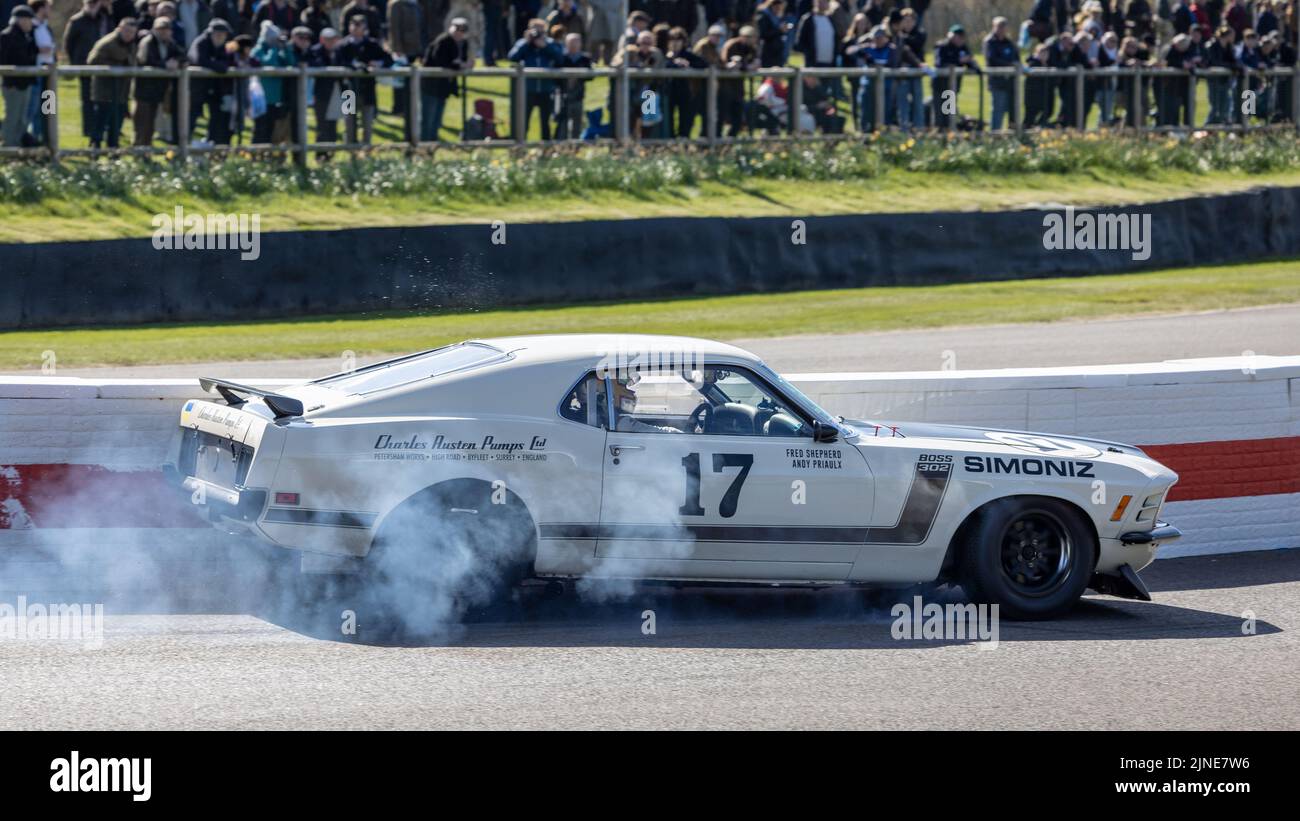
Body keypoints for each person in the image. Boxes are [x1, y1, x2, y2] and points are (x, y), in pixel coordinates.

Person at [336, 13, 392, 144]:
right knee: (349, 122)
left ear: (364, 27)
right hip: (348, 90)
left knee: (367, 121)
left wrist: (378, 63)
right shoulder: (343, 45)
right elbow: (337, 61)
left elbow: (388, 59)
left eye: (359, 25)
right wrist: (353, 66)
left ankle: (366, 150)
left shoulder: (372, 44)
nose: (356, 28)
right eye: (353, 25)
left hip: (367, 89)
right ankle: (350, 149)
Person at [86, 15, 138, 148]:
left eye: (132, 32)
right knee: (100, 122)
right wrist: (115, 66)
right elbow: (92, 61)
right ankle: (94, 149)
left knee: (116, 124)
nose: (129, 35)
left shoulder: (131, 45)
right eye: (126, 31)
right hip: (104, 91)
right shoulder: (107, 43)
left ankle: (113, 150)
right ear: (120, 29)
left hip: (121, 92)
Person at [64, 0, 114, 139]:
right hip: (84, 66)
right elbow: (69, 44)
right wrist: (75, 63)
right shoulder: (77, 21)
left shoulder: (104, 19)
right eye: (90, 3)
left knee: (103, 100)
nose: (93, 6)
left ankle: (102, 128)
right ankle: (89, 129)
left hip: (104, 66)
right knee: (87, 100)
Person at [507, 17, 562, 140]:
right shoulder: (523, 43)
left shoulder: (550, 43)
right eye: (535, 31)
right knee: (523, 121)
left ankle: (546, 151)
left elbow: (560, 59)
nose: (537, 34)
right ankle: (519, 147)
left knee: (545, 123)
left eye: (541, 32)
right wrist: (527, 42)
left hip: (546, 89)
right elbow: (512, 57)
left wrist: (545, 46)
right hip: (527, 89)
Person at [133, 15, 183, 145]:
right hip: (144, 90)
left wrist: (177, 61)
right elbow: (145, 60)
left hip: (158, 91)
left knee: (150, 125)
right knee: (142, 124)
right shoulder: (147, 42)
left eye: (166, 29)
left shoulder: (171, 43)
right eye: (160, 29)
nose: (164, 31)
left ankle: (145, 152)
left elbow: (184, 56)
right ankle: (139, 151)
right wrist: (165, 65)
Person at [419, 15, 467, 141]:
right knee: (428, 120)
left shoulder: (461, 43)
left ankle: (432, 145)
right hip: (431, 86)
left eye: (462, 30)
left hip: (443, 88)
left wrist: (459, 64)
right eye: (457, 29)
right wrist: (458, 65)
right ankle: (423, 146)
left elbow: (462, 61)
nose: (459, 33)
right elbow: (440, 61)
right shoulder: (443, 40)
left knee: (436, 120)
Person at [187, 17, 233, 143]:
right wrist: (218, 66)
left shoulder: (224, 46)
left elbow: (227, 62)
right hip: (197, 87)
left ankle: (212, 146)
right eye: (217, 33)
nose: (220, 36)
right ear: (210, 32)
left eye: (223, 34)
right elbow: (200, 60)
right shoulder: (201, 42)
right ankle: (182, 149)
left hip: (215, 88)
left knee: (217, 119)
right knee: (191, 117)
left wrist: (216, 65)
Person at [0, 4, 36, 147]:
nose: (31, 23)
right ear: (20, 20)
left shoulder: (26, 36)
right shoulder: (7, 36)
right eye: (28, 19)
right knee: (12, 117)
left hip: (24, 83)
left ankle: (17, 145)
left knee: (21, 118)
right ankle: (9, 147)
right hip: (13, 84)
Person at [306, 26, 340, 153]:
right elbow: (316, 65)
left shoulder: (339, 50)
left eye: (333, 39)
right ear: (322, 39)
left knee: (334, 123)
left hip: (341, 93)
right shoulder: (315, 51)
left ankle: (333, 152)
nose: (331, 42)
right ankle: (321, 154)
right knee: (322, 124)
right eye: (328, 39)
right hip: (321, 93)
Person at [983, 16, 1020, 130]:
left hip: (1011, 81)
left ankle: (1012, 132)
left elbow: (1017, 58)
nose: (1001, 29)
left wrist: (1017, 65)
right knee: (998, 108)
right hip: (997, 80)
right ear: (994, 27)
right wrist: (1009, 64)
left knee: (1013, 108)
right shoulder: (990, 41)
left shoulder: (1009, 42)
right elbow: (991, 59)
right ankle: (995, 134)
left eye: (1003, 26)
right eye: (999, 26)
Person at [612, 376, 683, 434]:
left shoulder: (615, 419)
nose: (634, 394)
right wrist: (675, 433)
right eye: (626, 386)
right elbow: (655, 432)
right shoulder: (623, 423)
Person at [555, 31, 592, 139]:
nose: (574, 45)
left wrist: (578, 76)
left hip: (578, 95)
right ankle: (561, 145)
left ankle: (576, 147)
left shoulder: (585, 58)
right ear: (566, 43)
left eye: (576, 42)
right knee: (562, 122)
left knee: (577, 123)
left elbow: (590, 76)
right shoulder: (561, 57)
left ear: (580, 44)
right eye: (571, 42)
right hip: (563, 96)